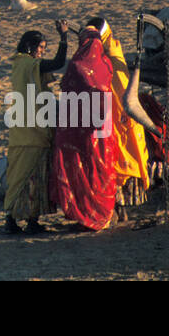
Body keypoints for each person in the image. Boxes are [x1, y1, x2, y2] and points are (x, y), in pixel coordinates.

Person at [50, 19, 121, 231]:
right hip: (102, 130)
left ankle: (85, 216)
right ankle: (103, 214)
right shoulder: (107, 64)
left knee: (79, 171)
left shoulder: (76, 65)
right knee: (100, 170)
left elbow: (68, 93)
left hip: (79, 131)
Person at [4, 20, 69, 235]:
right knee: (32, 176)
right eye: (40, 48)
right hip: (33, 131)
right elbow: (59, 62)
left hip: (22, 130)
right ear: (30, 47)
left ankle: (20, 220)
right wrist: (64, 37)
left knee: (21, 177)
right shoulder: (29, 64)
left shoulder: (19, 64)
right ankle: (23, 221)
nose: (42, 52)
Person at [94, 17, 150, 217]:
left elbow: (117, 87)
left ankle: (120, 209)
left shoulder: (109, 53)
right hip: (114, 118)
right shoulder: (108, 50)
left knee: (119, 162)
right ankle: (119, 210)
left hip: (119, 119)